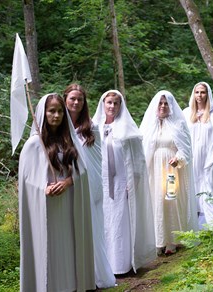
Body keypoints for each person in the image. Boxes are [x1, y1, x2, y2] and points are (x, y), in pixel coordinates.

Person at [18, 93, 95, 291]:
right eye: (52, 111)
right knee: (49, 249)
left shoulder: (69, 140)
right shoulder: (33, 144)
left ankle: (70, 286)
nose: (57, 115)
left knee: (68, 249)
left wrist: (69, 182)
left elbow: (83, 171)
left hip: (69, 205)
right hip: (47, 208)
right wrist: (44, 188)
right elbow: (27, 181)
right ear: (43, 113)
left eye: (60, 111)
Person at [92, 90, 156, 275]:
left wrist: (133, 180)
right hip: (101, 181)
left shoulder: (128, 128)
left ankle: (120, 264)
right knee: (103, 220)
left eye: (116, 103)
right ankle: (103, 265)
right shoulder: (95, 127)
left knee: (119, 221)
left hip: (121, 182)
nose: (112, 106)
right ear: (103, 103)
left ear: (120, 106)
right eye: (109, 102)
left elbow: (138, 159)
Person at [63, 84, 116, 288]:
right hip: (67, 183)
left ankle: (93, 274)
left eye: (80, 99)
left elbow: (96, 161)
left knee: (91, 229)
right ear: (65, 99)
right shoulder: (58, 126)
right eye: (72, 99)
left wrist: (93, 188)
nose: (76, 103)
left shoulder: (91, 128)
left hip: (88, 184)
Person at [139, 90, 198, 255]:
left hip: (171, 170)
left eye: (166, 103)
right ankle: (157, 240)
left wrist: (178, 158)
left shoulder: (178, 124)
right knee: (155, 201)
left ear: (170, 105)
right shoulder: (149, 124)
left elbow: (186, 149)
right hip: (154, 170)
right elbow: (142, 148)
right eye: (160, 103)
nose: (163, 106)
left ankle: (172, 241)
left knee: (170, 200)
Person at [183, 82, 213, 228]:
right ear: (193, 94)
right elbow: (181, 137)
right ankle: (192, 225)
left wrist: (211, 161)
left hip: (210, 161)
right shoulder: (186, 113)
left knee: (210, 188)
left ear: (208, 94)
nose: (199, 96)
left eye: (202, 92)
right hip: (192, 160)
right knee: (192, 188)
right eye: (197, 92)